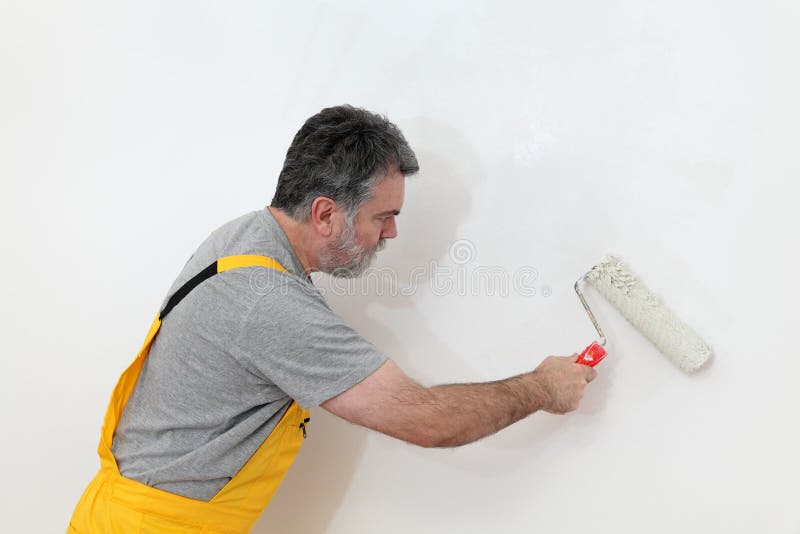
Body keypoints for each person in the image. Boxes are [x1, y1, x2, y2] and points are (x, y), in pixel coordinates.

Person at [68, 105, 597, 533]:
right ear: (325, 213)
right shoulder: (268, 303)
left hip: (121, 513)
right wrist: (543, 386)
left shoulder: (243, 237)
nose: (390, 234)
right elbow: (429, 420)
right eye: (383, 217)